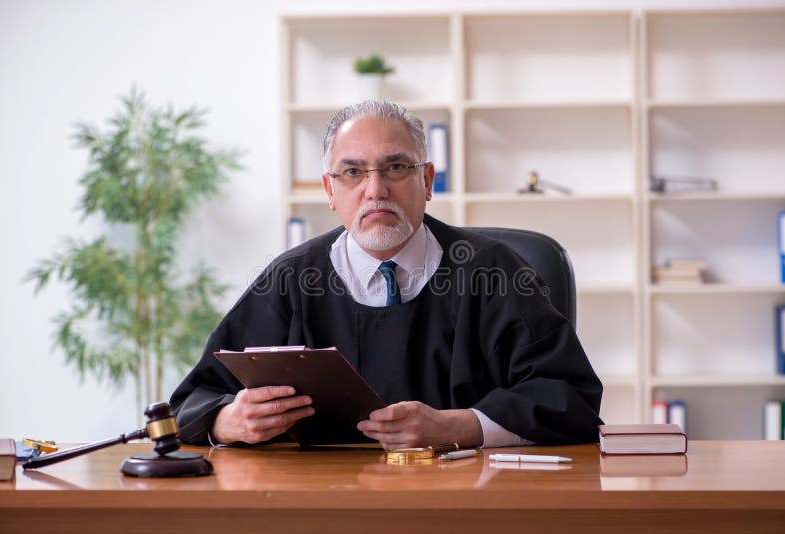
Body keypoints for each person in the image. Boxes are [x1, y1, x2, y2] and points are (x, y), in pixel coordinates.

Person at [170, 100, 603, 449]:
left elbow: (572, 399)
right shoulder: (289, 281)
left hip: (468, 506)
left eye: (396, 168)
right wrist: (229, 421)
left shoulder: (494, 271)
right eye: (354, 172)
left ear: (428, 181)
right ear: (330, 191)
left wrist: (459, 427)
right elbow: (194, 402)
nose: (375, 190)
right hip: (322, 511)